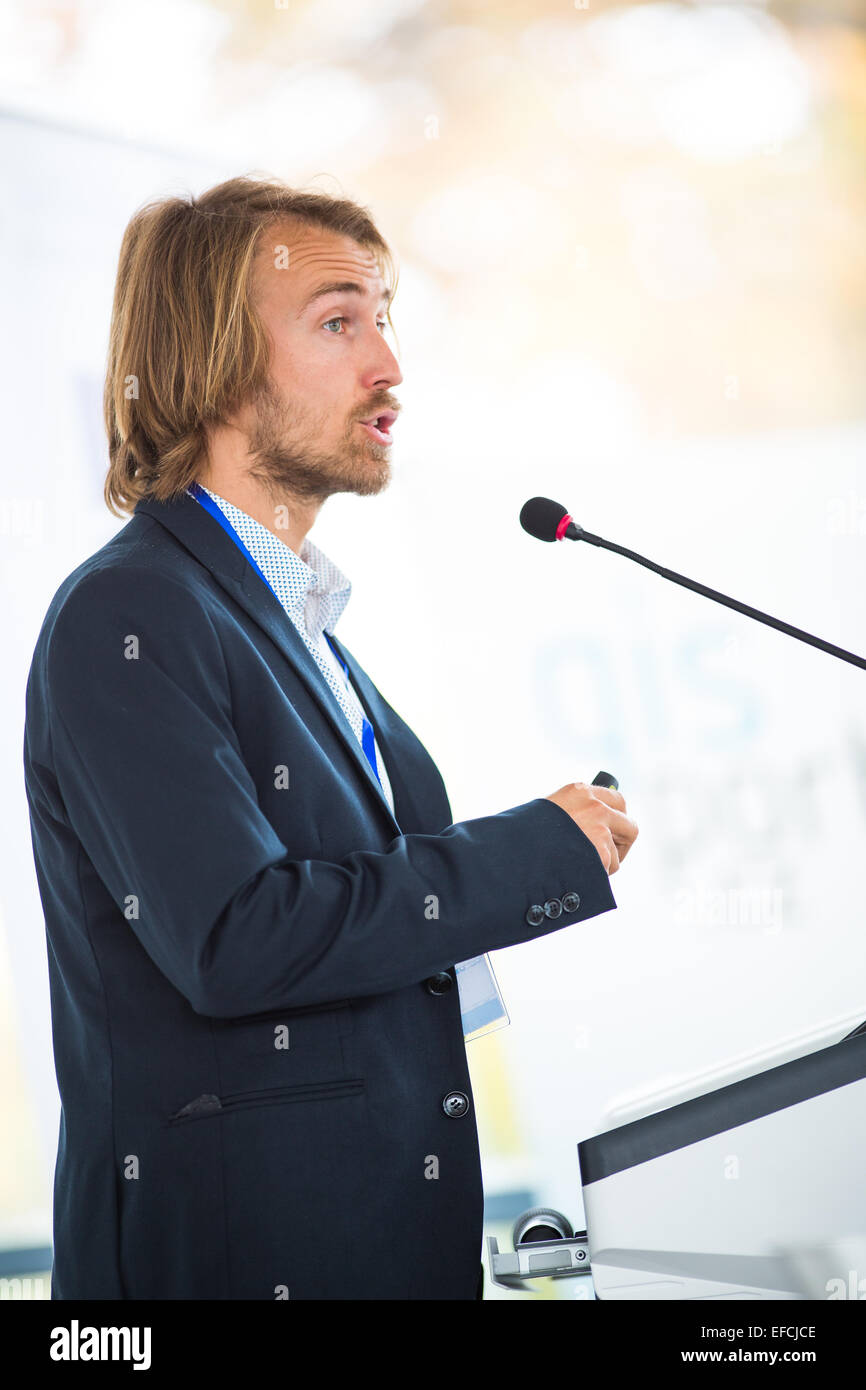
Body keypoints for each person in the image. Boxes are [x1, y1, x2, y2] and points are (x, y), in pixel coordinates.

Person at [22, 176, 639, 1301]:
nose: (388, 364)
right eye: (338, 319)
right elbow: (234, 937)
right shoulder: (131, 616)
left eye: (386, 316)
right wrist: (531, 854)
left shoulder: (288, 624)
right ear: (214, 360)